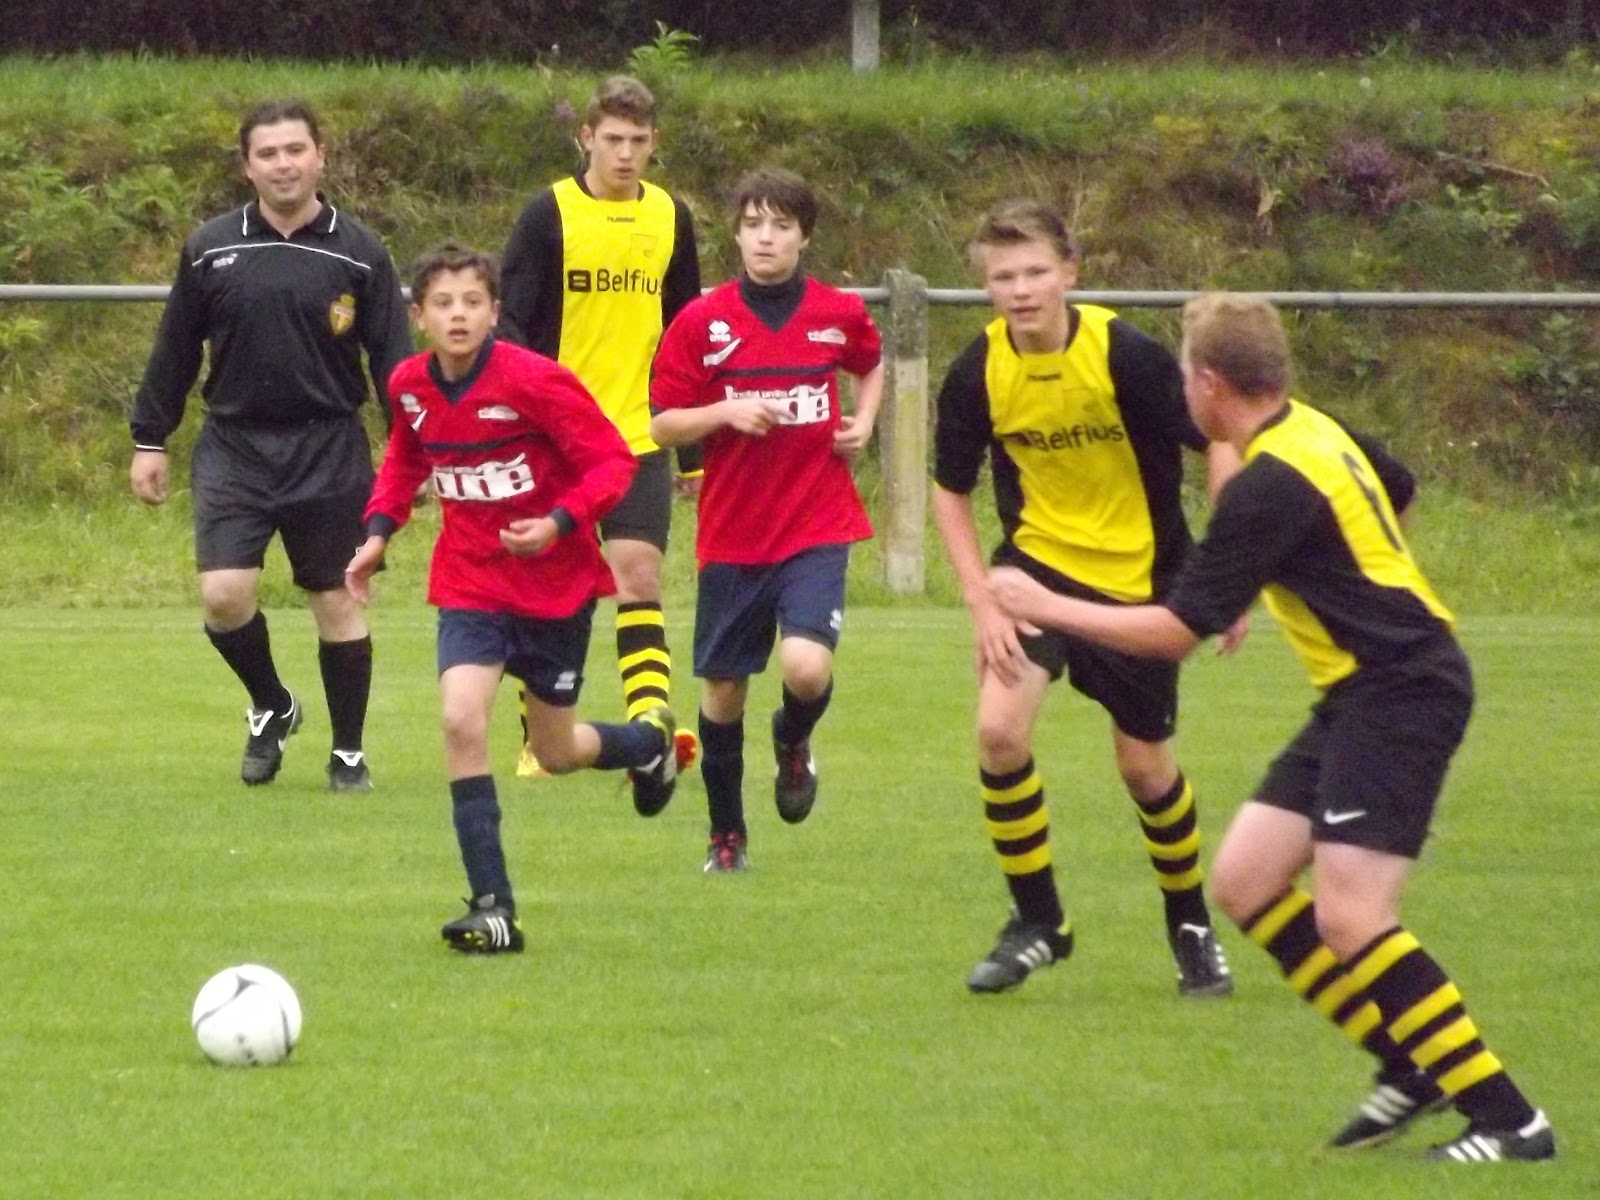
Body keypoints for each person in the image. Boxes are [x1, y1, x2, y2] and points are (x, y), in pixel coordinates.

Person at [988, 292, 1554, 1163]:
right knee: (1247, 879)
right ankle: (1408, 1068)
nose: (1183, 388)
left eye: (1186, 374)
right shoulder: (1311, 430)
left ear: (1209, 383)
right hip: (1360, 690)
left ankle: (1512, 1122)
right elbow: (1394, 491)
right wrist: (1337, 570)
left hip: (1402, 691)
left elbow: (1176, 632)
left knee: (1353, 917)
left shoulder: (1268, 484)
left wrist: (1043, 603)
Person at [931, 199, 1238, 997]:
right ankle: (1039, 922)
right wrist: (982, 599)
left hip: (1141, 580)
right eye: (1004, 277)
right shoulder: (977, 372)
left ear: (1071, 270)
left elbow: (1224, 440)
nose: (1022, 289)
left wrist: (1229, 573)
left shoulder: (1124, 356)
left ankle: (1191, 924)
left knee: (1143, 770)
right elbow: (949, 491)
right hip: (1035, 571)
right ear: (985, 284)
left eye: (1036, 271)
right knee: (999, 732)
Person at [345, 243, 679, 955]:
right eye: (443, 304)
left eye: (472, 302)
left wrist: (558, 523)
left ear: (495, 312)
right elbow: (407, 455)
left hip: (556, 589)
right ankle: (494, 908)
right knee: (462, 721)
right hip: (470, 583)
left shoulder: (537, 382)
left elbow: (613, 462)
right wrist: (378, 532)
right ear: (420, 317)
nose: (458, 315)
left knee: (555, 752)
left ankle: (651, 746)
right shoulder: (409, 385)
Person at [130, 98, 412, 793]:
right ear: (247, 166)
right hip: (235, 444)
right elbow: (174, 351)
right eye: (268, 153)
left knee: (336, 601)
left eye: (295, 150)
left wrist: (417, 450)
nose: (283, 164)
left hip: (329, 445)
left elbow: (396, 363)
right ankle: (273, 704)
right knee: (225, 596)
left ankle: (347, 751)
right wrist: (150, 438)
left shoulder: (361, 252)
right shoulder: (210, 247)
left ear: (320, 155)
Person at [650, 167, 883, 873]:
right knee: (723, 690)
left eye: (781, 225)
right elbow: (662, 424)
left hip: (816, 522)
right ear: (737, 232)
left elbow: (870, 365)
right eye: (753, 224)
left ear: (804, 235)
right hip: (733, 532)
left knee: (806, 668)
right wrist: (724, 412)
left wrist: (864, 421)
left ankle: (793, 739)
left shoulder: (836, 312)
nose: (766, 237)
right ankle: (727, 836)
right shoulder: (702, 321)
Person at [499, 74, 702, 779]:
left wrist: (692, 450)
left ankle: (652, 720)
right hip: (557, 440)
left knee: (637, 573)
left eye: (637, 141)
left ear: (654, 144)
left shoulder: (671, 217)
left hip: (639, 433)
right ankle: (537, 734)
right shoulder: (546, 214)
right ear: (586, 137)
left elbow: (686, 336)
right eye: (612, 139)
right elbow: (515, 326)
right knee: (550, 589)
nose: (624, 153)